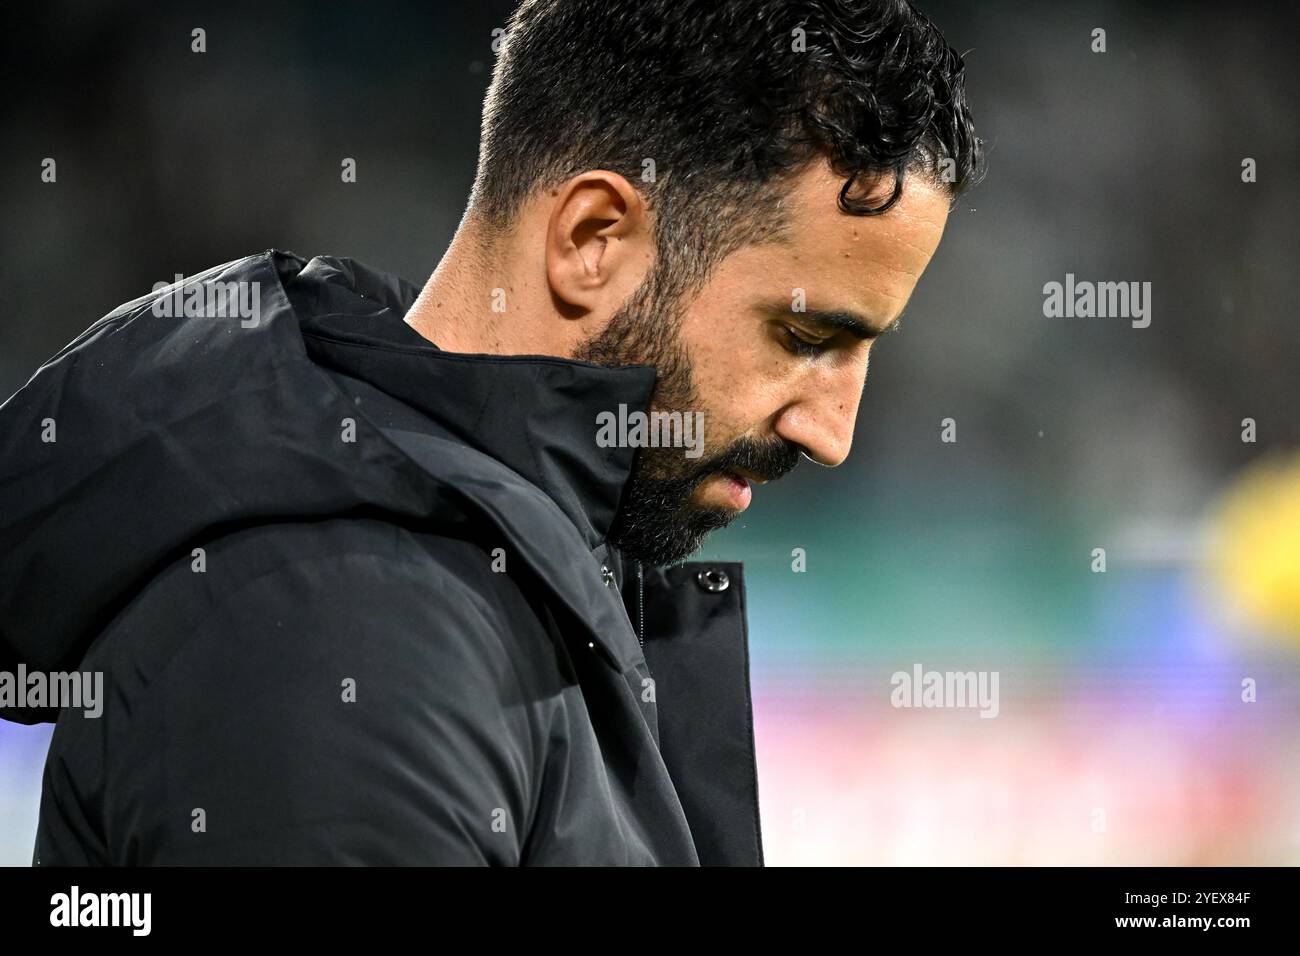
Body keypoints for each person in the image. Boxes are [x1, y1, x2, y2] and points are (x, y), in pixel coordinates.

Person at [0, 0, 982, 865]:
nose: (832, 432)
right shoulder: (348, 628)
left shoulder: (499, 570)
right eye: (805, 335)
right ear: (592, 242)